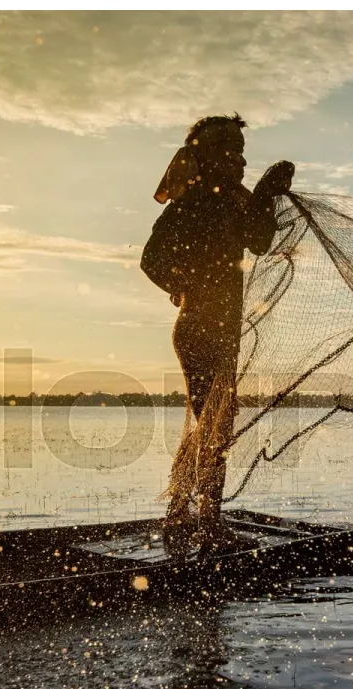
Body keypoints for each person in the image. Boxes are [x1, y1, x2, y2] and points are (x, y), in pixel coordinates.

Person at [140, 114, 293, 551]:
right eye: (235, 153)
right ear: (210, 157)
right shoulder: (200, 204)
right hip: (201, 327)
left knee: (212, 421)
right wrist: (182, 287)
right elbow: (152, 259)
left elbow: (258, 240)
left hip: (212, 328)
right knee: (217, 422)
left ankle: (183, 514)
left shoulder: (222, 202)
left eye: (244, 154)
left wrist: (266, 191)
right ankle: (206, 522)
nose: (242, 162)